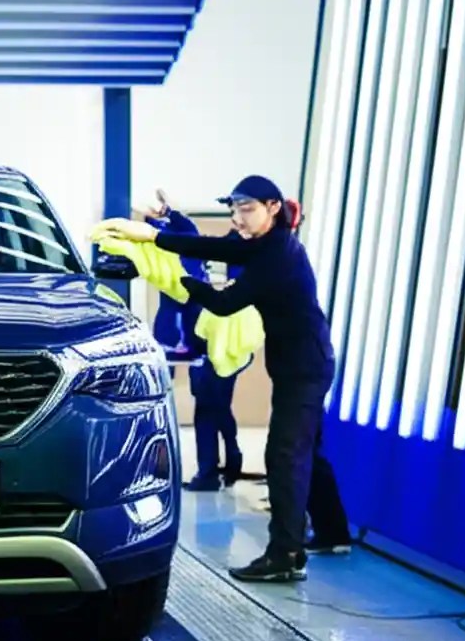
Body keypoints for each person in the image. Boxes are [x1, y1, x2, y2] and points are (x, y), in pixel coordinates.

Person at [94, 175, 351, 583]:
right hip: (303, 363)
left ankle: (286, 555)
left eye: (246, 209)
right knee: (307, 451)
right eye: (234, 210)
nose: (238, 218)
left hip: (304, 369)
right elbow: (216, 246)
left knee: (284, 456)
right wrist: (154, 238)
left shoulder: (276, 255)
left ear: (272, 207)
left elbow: (224, 302)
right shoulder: (269, 244)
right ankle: (334, 532)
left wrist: (170, 277)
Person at [143, 192, 247, 491]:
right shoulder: (221, 246)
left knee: (210, 405)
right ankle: (225, 460)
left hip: (222, 339)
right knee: (214, 404)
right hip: (207, 339)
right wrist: (170, 214)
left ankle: (211, 470)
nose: (237, 218)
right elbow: (188, 235)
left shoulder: (250, 251)